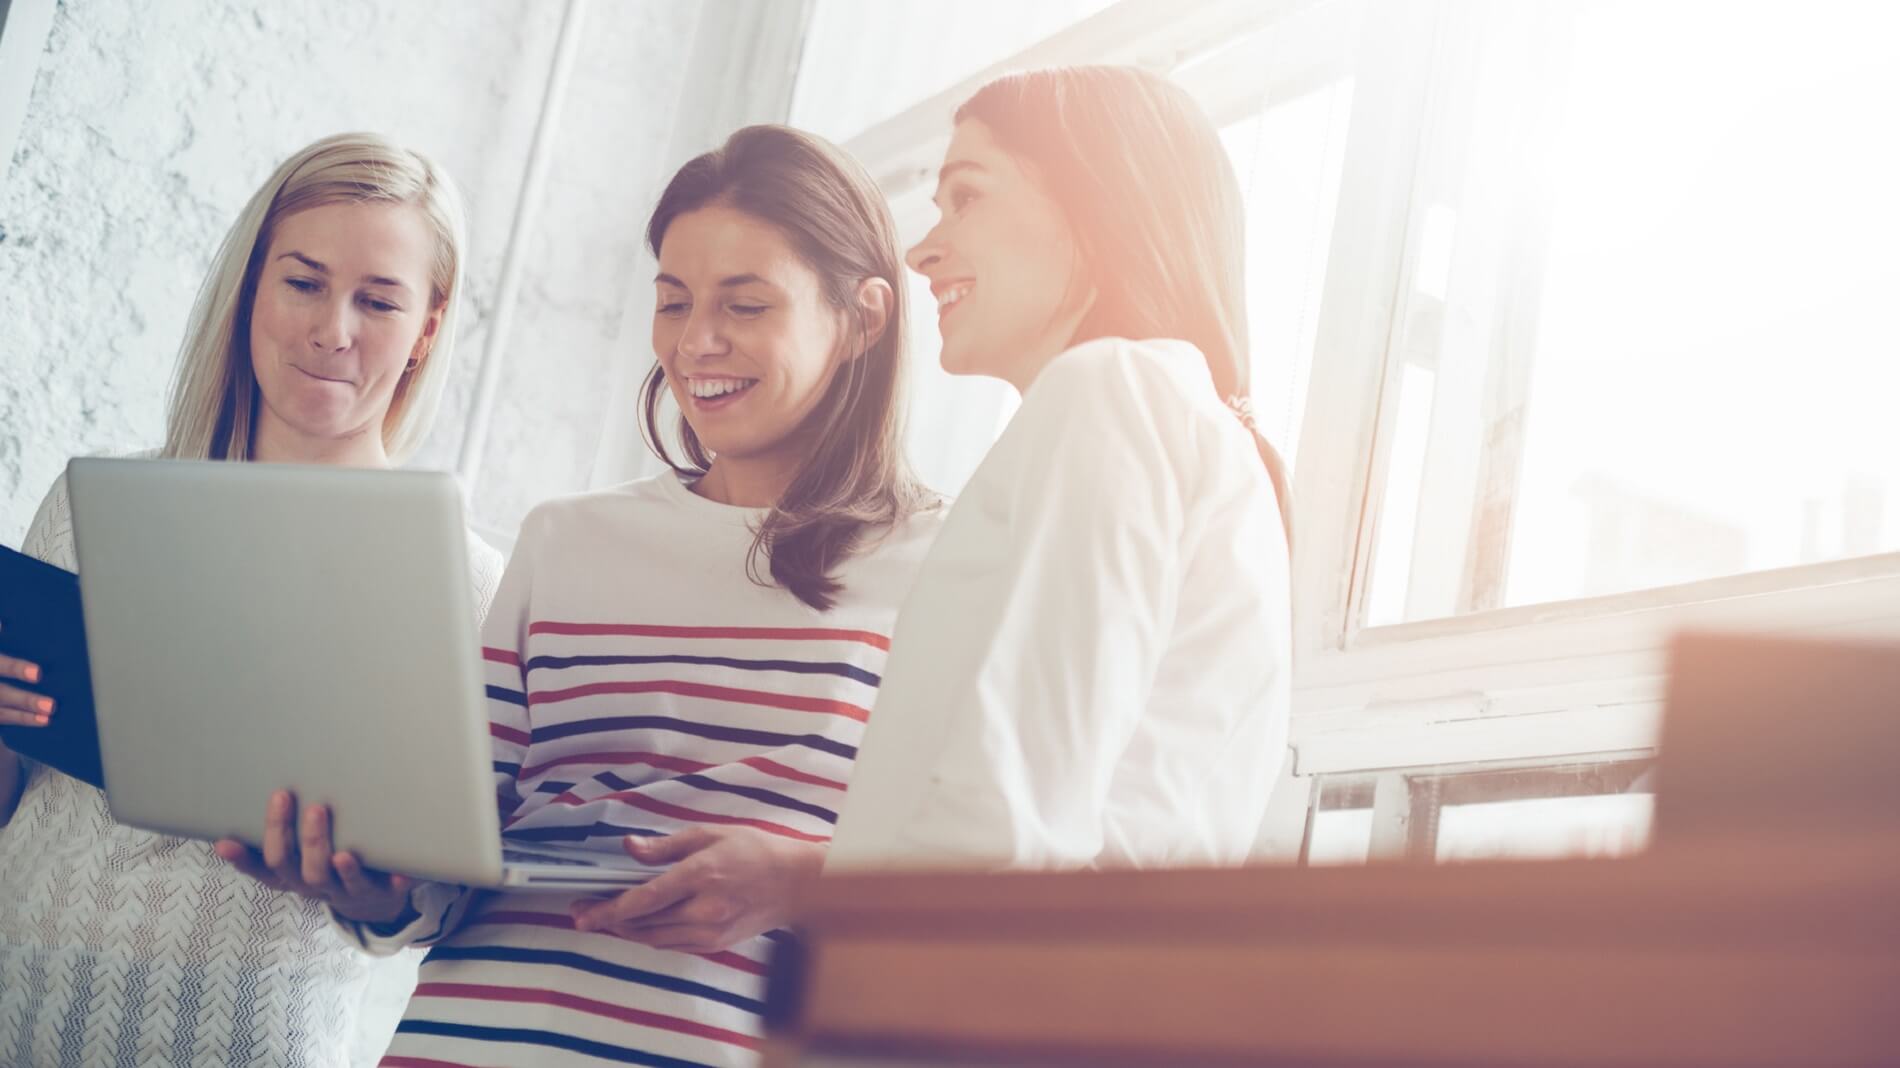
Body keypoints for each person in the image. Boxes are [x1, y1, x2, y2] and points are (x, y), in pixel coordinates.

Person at [220, 124, 944, 1067]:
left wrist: (803, 882)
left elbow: (994, 896)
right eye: (673, 301)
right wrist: (369, 890)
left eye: (746, 303)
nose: (698, 343)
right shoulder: (566, 540)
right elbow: (448, 861)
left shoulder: (947, 568)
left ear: (863, 318)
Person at [0, 132, 501, 1068]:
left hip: (246, 1040)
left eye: (378, 300)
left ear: (429, 324)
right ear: (252, 286)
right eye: (303, 282)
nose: (332, 329)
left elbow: (441, 906)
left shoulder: (466, 586)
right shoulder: (86, 508)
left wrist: (369, 897)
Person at [825, 65, 1295, 871]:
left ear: (1098, 208)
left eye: (967, 196)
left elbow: (1005, 822)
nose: (921, 251)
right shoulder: (1178, 414)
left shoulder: (1112, 388)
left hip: (941, 985)